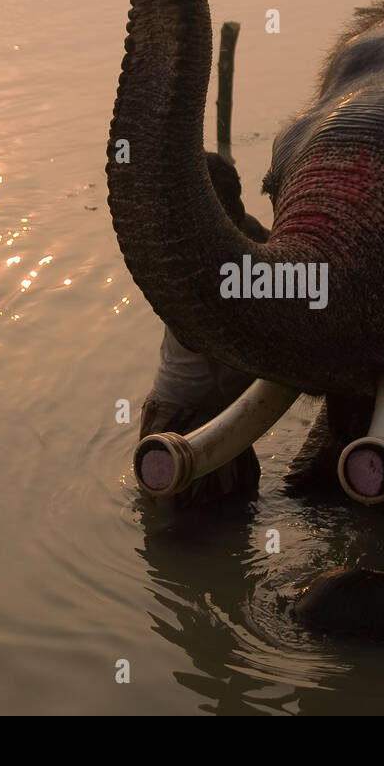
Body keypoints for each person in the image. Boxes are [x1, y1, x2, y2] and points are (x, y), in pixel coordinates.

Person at [138, 153, 271, 505]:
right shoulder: (194, 268)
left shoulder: (242, 234)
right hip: (183, 424)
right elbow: (231, 373)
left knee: (237, 517)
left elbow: (283, 258)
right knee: (191, 526)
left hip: (223, 417)